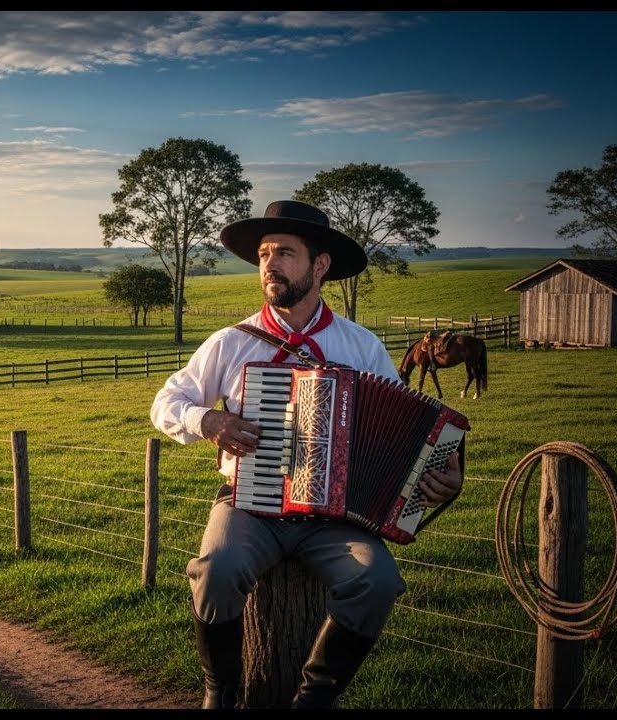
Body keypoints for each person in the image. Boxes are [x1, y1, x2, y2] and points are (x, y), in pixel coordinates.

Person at [149, 200, 464, 709]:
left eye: (285, 254)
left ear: (320, 266)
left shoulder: (359, 346)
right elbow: (167, 401)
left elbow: (411, 434)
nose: (269, 265)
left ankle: (313, 700)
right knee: (216, 569)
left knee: (377, 580)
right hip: (249, 505)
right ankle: (221, 691)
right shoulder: (231, 342)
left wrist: (442, 480)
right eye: (264, 254)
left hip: (336, 518)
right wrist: (209, 420)